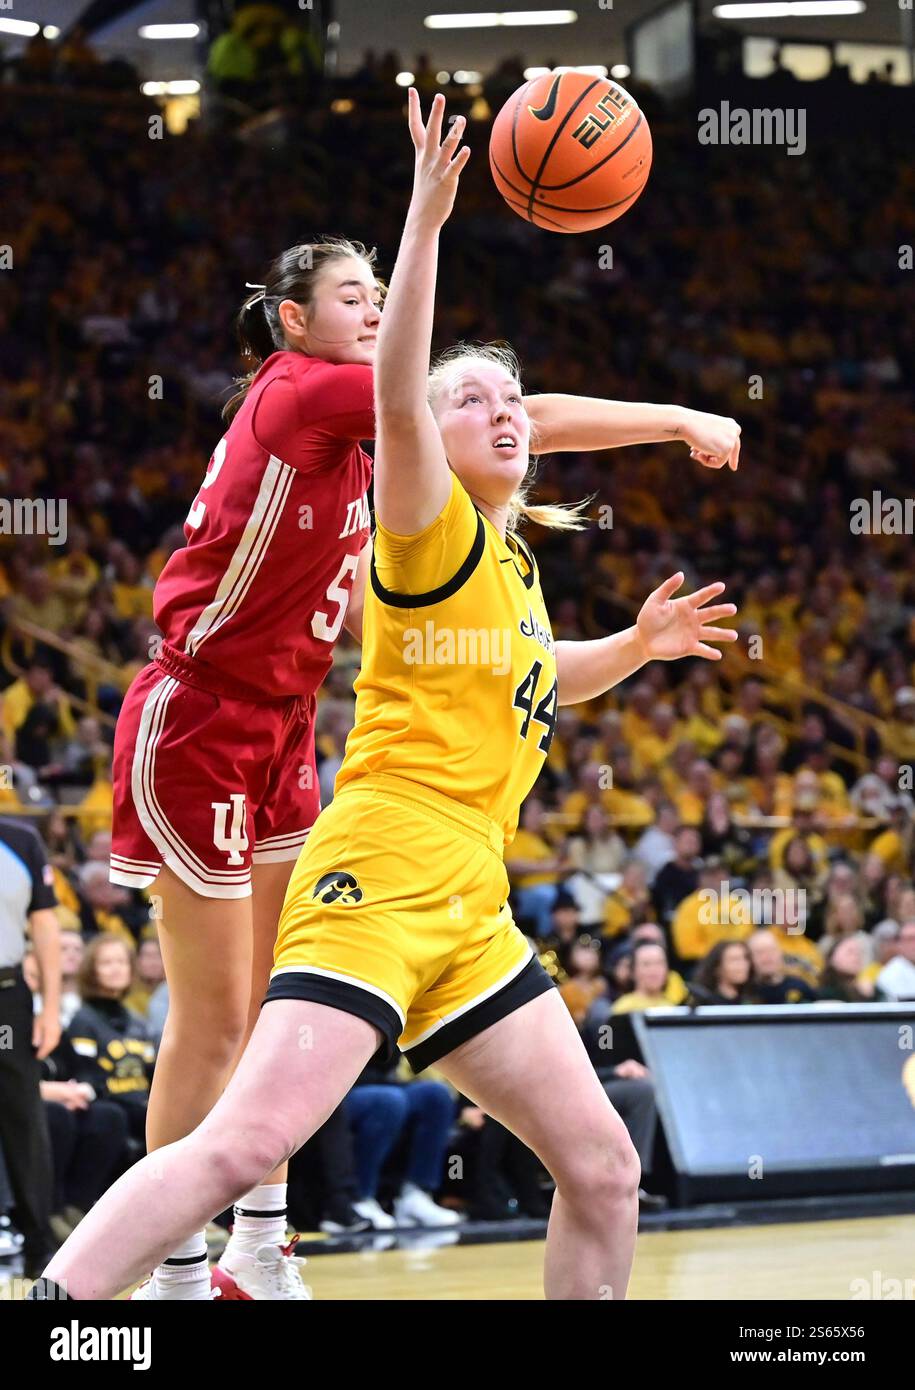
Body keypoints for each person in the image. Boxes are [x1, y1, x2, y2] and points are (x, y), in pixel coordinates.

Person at [35, 89, 740, 1303]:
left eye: (503, 400)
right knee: (226, 1061)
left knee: (604, 1165)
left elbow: (539, 652)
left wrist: (635, 641)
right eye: (476, 399)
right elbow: (440, 390)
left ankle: (253, 1246)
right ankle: (125, 1290)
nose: (503, 410)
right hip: (265, 759)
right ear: (302, 322)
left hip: (440, 865)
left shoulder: (503, 561)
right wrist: (424, 225)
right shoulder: (372, 451)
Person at [0, 817, 60, 1277]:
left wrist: (50, 1007)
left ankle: (39, 1240)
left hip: (8, 994)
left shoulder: (21, 840)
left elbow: (44, 924)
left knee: (23, 1116)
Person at [748, 929, 818, 1003]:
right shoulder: (745, 993)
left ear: (780, 953)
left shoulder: (799, 987)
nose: (767, 957)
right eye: (760, 952)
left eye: (771, 950)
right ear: (749, 958)